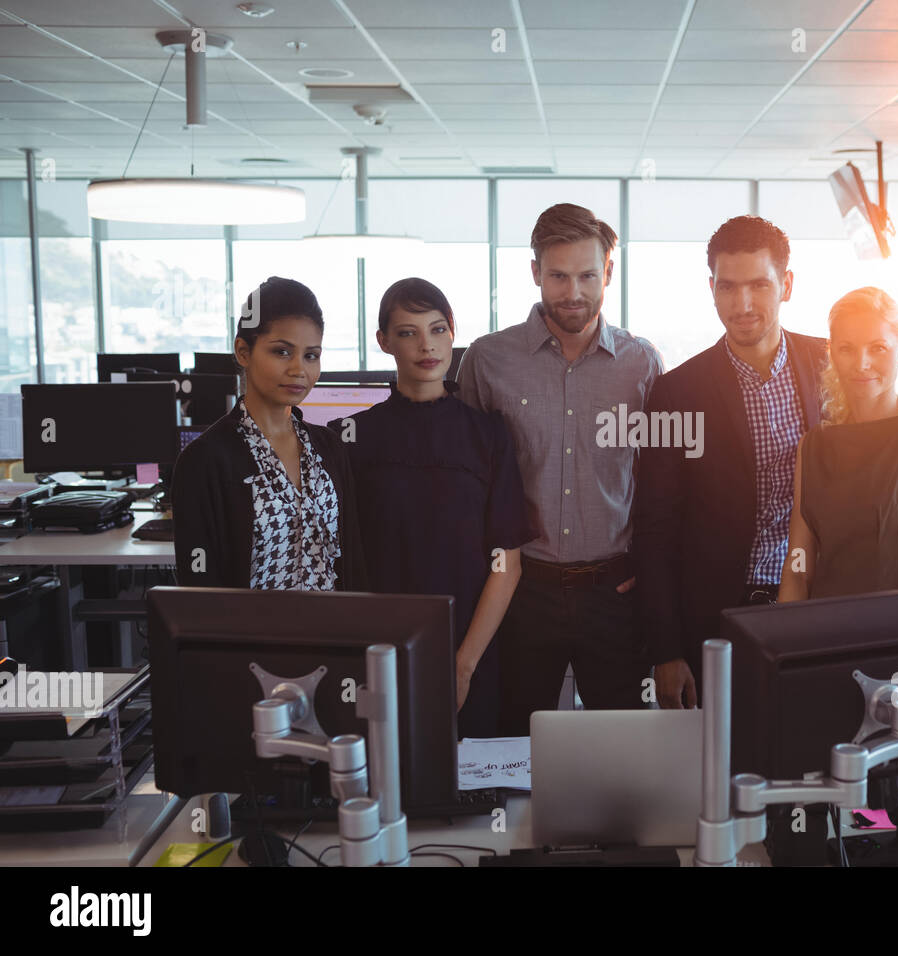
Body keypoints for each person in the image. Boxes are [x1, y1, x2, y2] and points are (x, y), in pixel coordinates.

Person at [457, 203, 663, 736]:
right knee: (512, 748)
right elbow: (471, 482)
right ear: (535, 274)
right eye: (559, 275)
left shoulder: (642, 363)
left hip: (614, 592)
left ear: (608, 274)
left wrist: (648, 564)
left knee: (623, 752)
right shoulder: (487, 359)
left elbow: (659, 481)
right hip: (522, 592)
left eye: (588, 275)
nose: (574, 291)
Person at [633, 215, 826, 708]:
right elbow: (654, 529)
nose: (742, 304)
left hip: (811, 607)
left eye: (759, 285)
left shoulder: (831, 369)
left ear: (786, 285)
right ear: (711, 288)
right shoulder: (677, 390)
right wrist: (666, 650)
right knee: (713, 767)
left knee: (802, 762)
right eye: (728, 286)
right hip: (713, 617)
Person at [328, 278, 534, 738]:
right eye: (407, 332)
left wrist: (462, 667)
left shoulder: (488, 435)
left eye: (437, 329)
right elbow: (341, 561)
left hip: (469, 649)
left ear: (453, 332)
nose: (426, 345)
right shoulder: (347, 438)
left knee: (471, 792)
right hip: (375, 652)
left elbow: (508, 564)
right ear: (383, 341)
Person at [171, 276, 366, 591]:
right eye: (282, 352)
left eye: (311, 355)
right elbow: (200, 589)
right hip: (248, 637)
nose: (299, 369)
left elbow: (353, 565)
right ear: (243, 352)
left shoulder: (329, 446)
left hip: (332, 635)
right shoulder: (204, 461)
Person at [778, 286, 898, 602]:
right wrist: (782, 644)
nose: (861, 363)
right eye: (847, 348)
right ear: (831, 351)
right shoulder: (813, 446)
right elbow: (798, 570)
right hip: (820, 637)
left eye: (878, 347)